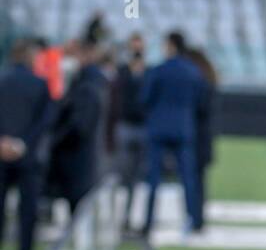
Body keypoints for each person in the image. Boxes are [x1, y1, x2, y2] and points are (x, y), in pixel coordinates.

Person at [139, 30, 207, 239]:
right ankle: (192, 220)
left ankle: (148, 222)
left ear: (171, 45)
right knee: (188, 178)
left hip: (159, 129)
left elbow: (144, 98)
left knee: (153, 179)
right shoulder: (193, 72)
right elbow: (200, 102)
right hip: (183, 129)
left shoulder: (158, 70)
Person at [0, 39, 55, 250]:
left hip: (3, 152)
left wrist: (3, 142)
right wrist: (22, 144)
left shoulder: (3, 80)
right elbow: (44, 122)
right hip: (28, 157)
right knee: (28, 211)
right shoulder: (40, 84)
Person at [44, 38, 109, 214]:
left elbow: (79, 126)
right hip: (79, 160)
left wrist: (55, 140)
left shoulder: (87, 86)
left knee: (79, 213)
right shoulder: (84, 82)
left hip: (78, 161)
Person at [111, 34, 148, 232]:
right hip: (125, 126)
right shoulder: (122, 72)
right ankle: (116, 216)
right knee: (120, 174)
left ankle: (128, 216)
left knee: (136, 177)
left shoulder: (148, 72)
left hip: (141, 128)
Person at [183, 46, 218, 227]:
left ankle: (195, 218)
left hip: (197, 137)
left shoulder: (201, 83)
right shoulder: (209, 80)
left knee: (194, 179)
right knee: (199, 179)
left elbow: (200, 108)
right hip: (204, 137)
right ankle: (197, 217)